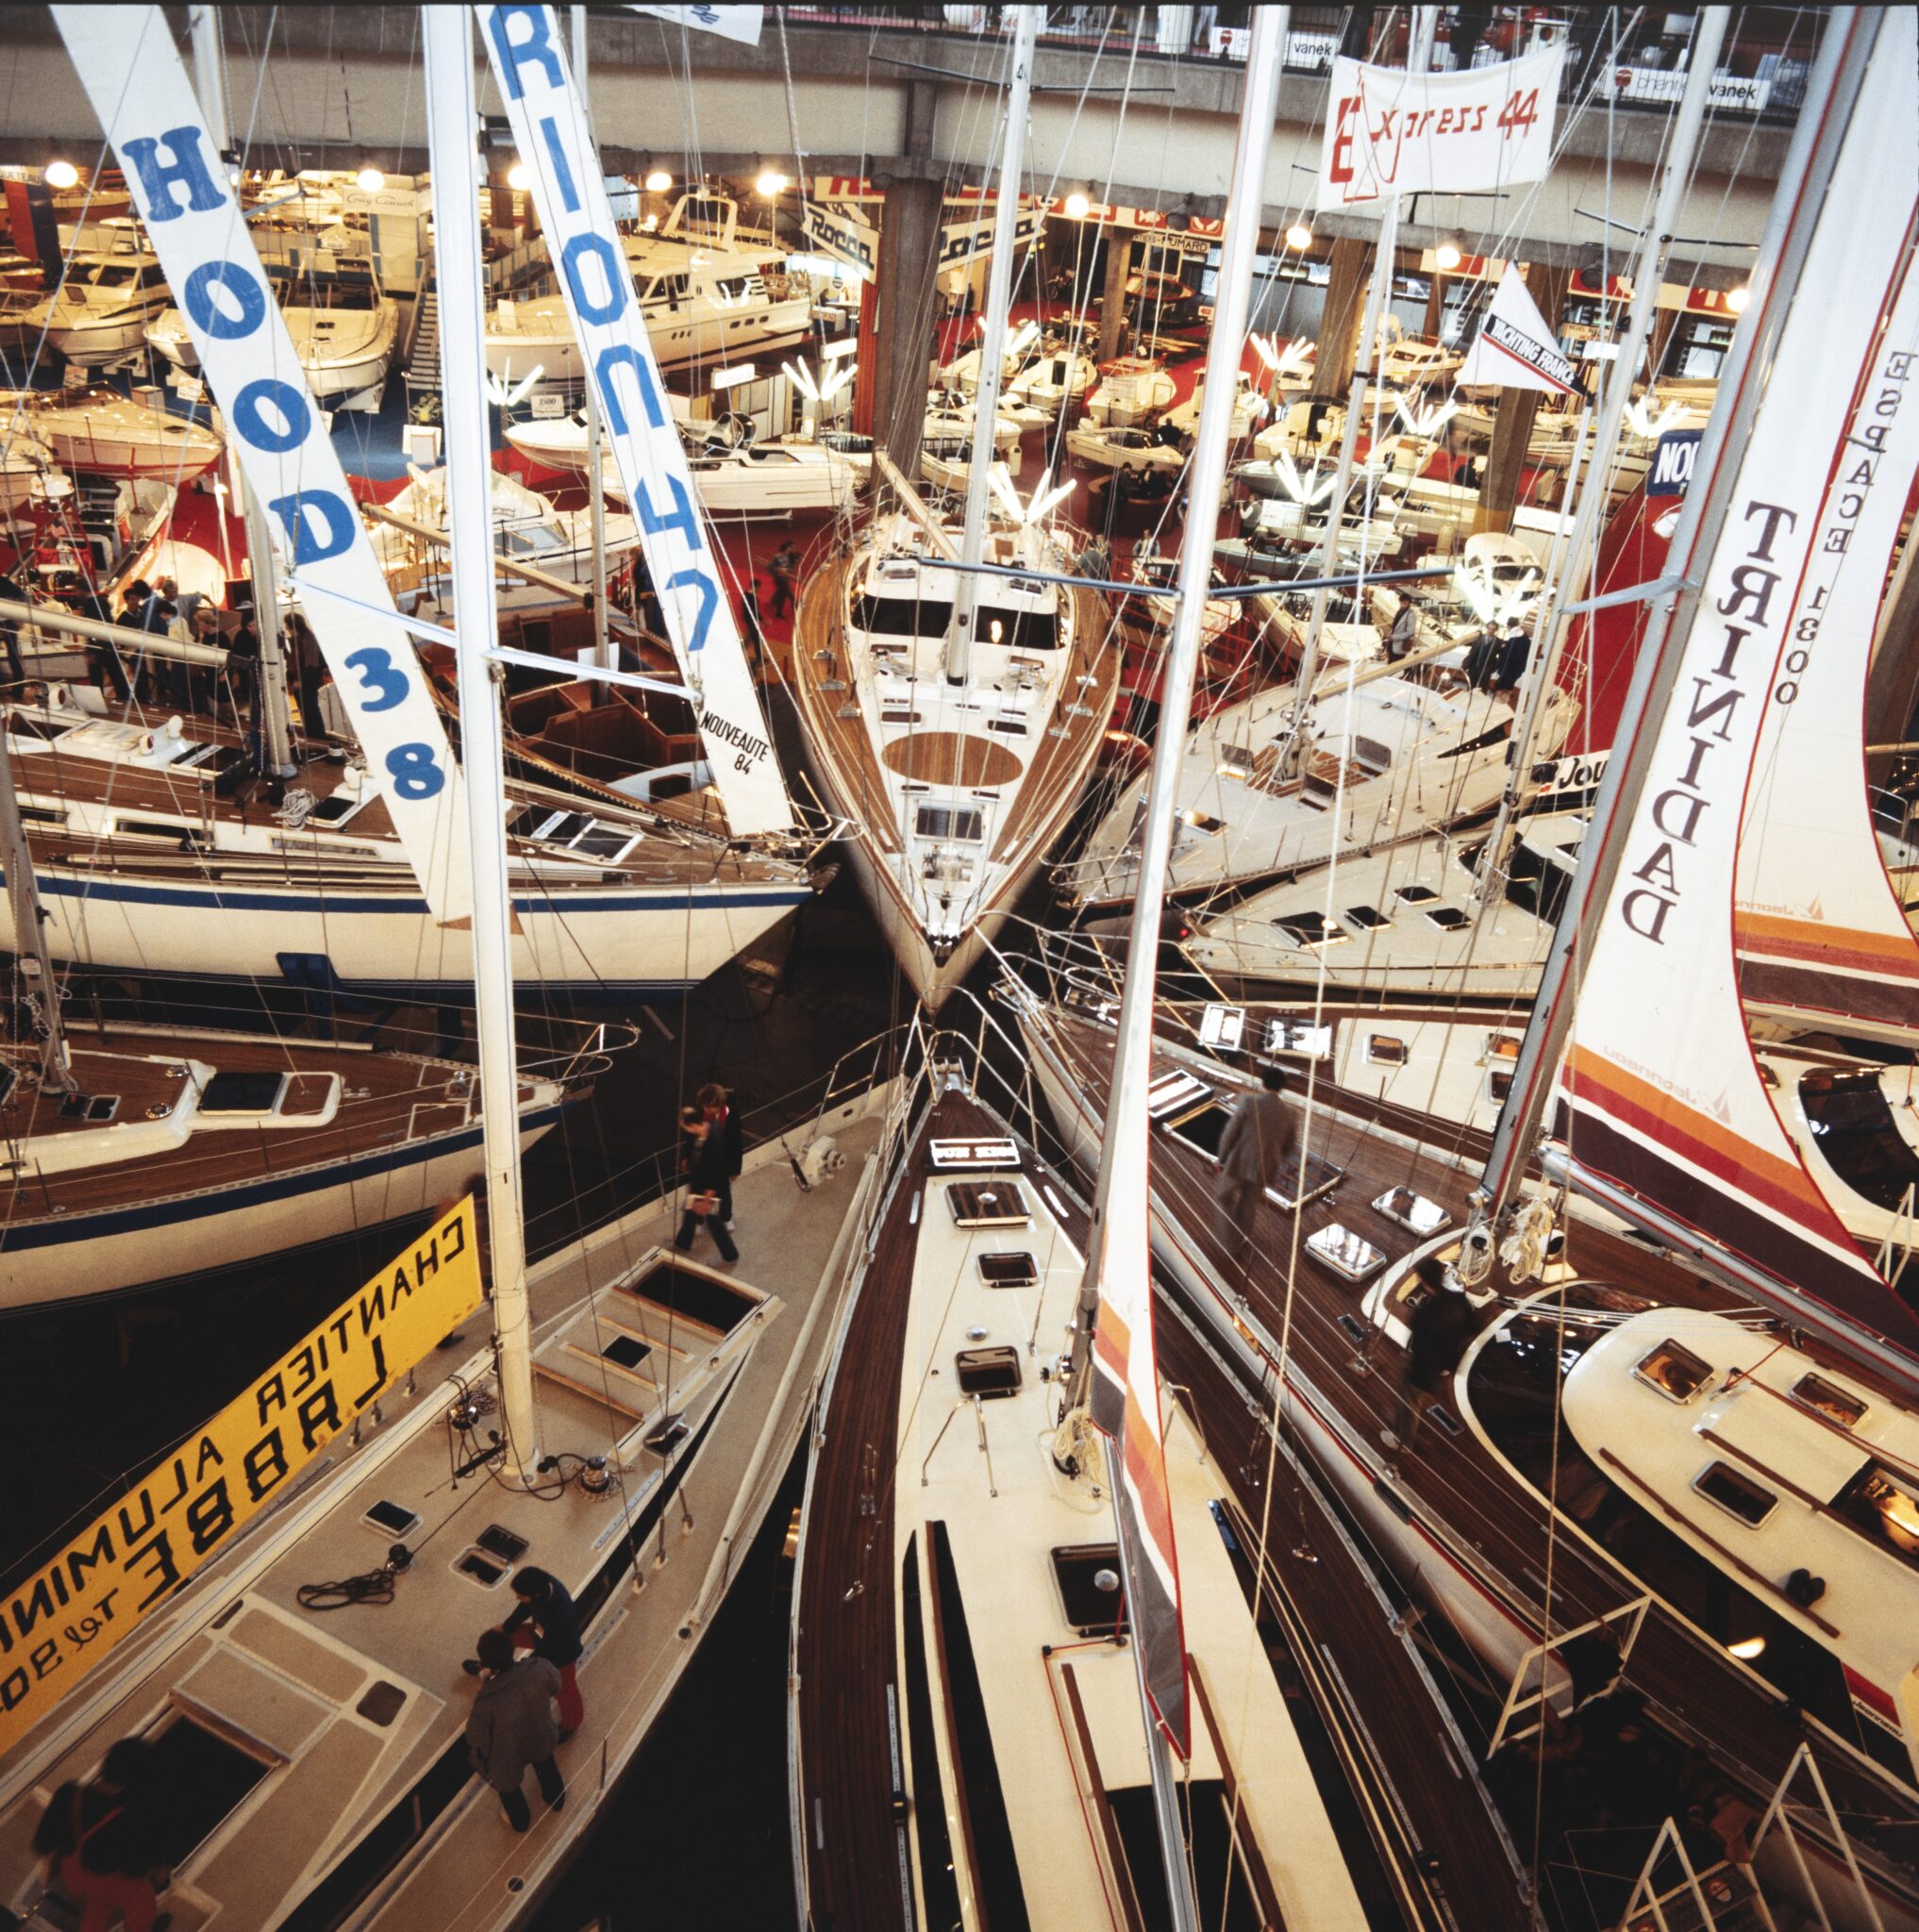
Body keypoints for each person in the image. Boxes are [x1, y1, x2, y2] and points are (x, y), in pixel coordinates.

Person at [32, 1736, 169, 1932]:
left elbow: (42, 1844)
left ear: (106, 1764)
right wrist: (158, 1875)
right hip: (104, 1885)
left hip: (72, 1879)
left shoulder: (69, 1793)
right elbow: (134, 1871)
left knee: (99, 1904)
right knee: (142, 1895)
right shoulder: (128, 1819)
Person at [1380, 1257, 1479, 1469]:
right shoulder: (1460, 1300)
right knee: (1413, 1399)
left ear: (1423, 1281)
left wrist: (1412, 1359)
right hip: (1443, 1364)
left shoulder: (1425, 1314)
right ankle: (1400, 1421)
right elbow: (1473, 1326)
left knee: (1411, 1399)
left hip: (1423, 1368)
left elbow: (1420, 1344)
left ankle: (1403, 1441)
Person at [465, 1626, 566, 1832]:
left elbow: (476, 1737)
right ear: (512, 1649)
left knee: (509, 1790)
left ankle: (521, 1822)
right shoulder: (538, 1667)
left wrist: (484, 1689)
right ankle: (556, 1800)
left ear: (484, 1665)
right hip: (540, 1737)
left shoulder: (486, 1702)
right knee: (547, 1765)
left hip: (508, 1757)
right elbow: (556, 1684)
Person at [1213, 1064, 1293, 1262]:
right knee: (1248, 1206)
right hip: (1266, 1167)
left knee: (1224, 1197)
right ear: (1282, 1087)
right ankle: (1238, 1242)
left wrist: (1221, 1158)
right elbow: (1289, 1146)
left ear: (1263, 1083)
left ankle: (1228, 1242)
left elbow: (1230, 1132)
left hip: (1238, 1161)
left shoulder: (1249, 1102)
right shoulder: (1290, 1114)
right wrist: (1275, 1158)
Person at [501, 1566, 585, 1734]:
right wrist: (507, 1627)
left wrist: (526, 1668)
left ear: (536, 1595)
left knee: (565, 1691)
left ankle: (571, 1725)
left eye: (521, 1595)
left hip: (562, 1653)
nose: (517, 1598)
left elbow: (546, 1649)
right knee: (502, 1636)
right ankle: (493, 1664)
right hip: (542, 1633)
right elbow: (525, 1606)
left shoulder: (560, 1613)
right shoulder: (542, 1588)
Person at [674, 1111, 740, 1263]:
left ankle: (730, 1256)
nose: (686, 1131)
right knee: (690, 1212)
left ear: (694, 1126)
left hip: (710, 1188)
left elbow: (714, 1176)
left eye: (687, 1128)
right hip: (698, 1184)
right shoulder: (703, 1130)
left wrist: (706, 1201)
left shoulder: (713, 1143)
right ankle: (682, 1244)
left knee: (714, 1222)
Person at [697, 1080, 743, 1229]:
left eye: (709, 1106)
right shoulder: (699, 1116)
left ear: (719, 1105)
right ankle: (699, 1219)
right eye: (704, 1106)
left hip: (723, 1164)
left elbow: (737, 1145)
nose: (706, 1109)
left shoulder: (732, 1117)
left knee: (724, 1192)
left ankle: (726, 1217)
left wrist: (735, 1170)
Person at [1493, 620, 1532, 695]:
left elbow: (1507, 654)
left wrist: (1502, 648)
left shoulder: (1513, 639)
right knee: (1510, 685)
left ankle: (1498, 700)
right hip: (1518, 667)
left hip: (1508, 667)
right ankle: (1505, 702)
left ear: (1508, 626)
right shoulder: (1525, 637)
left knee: (1500, 685)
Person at [767, 539, 799, 620]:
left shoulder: (787, 557)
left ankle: (774, 602)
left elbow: (789, 567)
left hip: (784, 579)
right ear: (786, 549)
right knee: (784, 595)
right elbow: (771, 567)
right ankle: (779, 612)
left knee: (785, 594)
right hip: (780, 579)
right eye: (789, 549)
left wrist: (787, 571)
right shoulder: (779, 557)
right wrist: (780, 571)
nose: (790, 550)